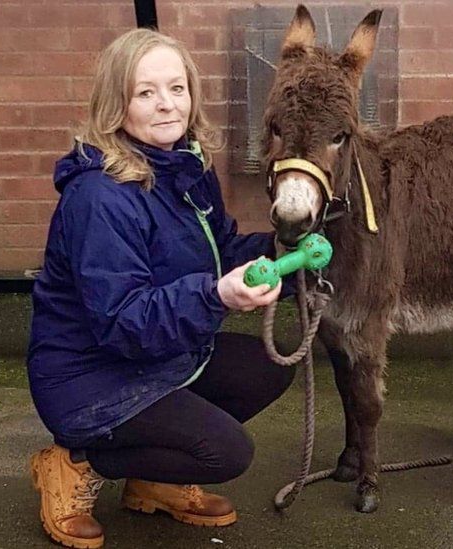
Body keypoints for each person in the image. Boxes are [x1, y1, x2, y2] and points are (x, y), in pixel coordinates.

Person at [27, 28, 296, 549]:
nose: (166, 104)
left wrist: (288, 253)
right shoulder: (99, 198)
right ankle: (74, 461)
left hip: (157, 355)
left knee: (271, 365)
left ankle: (154, 479)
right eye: (145, 92)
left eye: (176, 88)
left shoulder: (186, 166)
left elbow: (221, 247)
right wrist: (215, 296)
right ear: (116, 103)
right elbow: (122, 320)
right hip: (88, 377)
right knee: (225, 452)